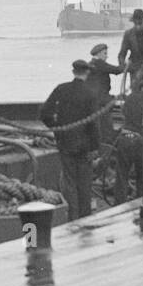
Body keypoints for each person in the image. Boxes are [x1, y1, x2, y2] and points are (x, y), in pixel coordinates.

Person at [39, 59, 102, 219]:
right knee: (85, 183)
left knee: (69, 182)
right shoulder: (91, 94)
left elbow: (44, 113)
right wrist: (95, 147)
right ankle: (85, 217)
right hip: (85, 146)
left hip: (65, 142)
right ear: (87, 73)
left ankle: (72, 217)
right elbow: (94, 123)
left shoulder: (61, 89)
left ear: (73, 72)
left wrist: (57, 128)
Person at [114, 82, 143, 203]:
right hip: (140, 141)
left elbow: (124, 113)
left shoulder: (130, 97)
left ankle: (119, 204)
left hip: (124, 138)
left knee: (121, 174)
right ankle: (141, 203)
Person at [84, 42, 124, 145]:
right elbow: (117, 70)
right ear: (99, 54)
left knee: (98, 124)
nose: (107, 56)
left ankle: (101, 140)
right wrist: (126, 64)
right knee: (106, 123)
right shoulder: (99, 64)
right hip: (102, 100)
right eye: (105, 53)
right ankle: (108, 143)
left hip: (92, 100)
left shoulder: (90, 64)